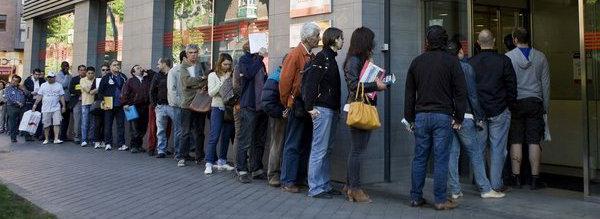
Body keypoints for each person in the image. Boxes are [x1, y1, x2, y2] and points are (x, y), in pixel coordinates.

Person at [404, 25, 466, 210]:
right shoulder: (452, 62)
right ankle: (440, 200)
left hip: (421, 116)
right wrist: (459, 117)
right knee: (441, 158)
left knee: (420, 157)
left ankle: (415, 197)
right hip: (443, 116)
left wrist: (409, 118)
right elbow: (461, 92)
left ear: (427, 42)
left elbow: (409, 93)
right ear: (445, 42)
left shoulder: (417, 62)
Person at [446, 40, 506, 200]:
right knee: (475, 152)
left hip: (447, 116)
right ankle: (485, 188)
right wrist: (479, 116)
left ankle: (455, 190)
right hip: (465, 116)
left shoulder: (443, 67)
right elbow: (472, 95)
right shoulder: (465, 68)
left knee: (452, 153)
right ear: (460, 52)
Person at [469, 29, 517, 192]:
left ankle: (481, 183)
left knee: (479, 149)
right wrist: (509, 106)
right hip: (499, 110)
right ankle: (496, 184)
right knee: (498, 149)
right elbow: (512, 87)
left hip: (478, 113)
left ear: (478, 42)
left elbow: (467, 89)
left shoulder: (470, 62)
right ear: (494, 41)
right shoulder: (503, 61)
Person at [343, 27, 387, 202]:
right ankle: (355, 188)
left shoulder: (359, 59)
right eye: (371, 40)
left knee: (357, 149)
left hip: (364, 105)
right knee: (357, 150)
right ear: (364, 42)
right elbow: (354, 85)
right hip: (359, 107)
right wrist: (376, 86)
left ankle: (349, 185)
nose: (373, 44)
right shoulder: (353, 60)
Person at [505, 27, 550, 190]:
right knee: (533, 141)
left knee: (515, 140)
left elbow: (506, 84)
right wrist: (545, 107)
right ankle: (535, 179)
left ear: (515, 39)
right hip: (535, 102)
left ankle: (515, 178)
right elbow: (545, 84)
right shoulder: (541, 57)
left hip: (516, 103)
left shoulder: (508, 57)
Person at [302, 27, 345, 199]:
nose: (343, 41)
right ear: (334, 39)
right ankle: (315, 188)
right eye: (341, 38)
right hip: (323, 109)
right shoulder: (322, 57)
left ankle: (325, 185)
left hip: (331, 109)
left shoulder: (330, 58)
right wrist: (310, 108)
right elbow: (311, 83)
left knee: (326, 149)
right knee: (319, 149)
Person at [279, 22, 321, 192]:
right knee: (293, 143)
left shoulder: (309, 55)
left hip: (306, 104)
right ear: (308, 37)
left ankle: (298, 178)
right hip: (297, 103)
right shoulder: (296, 54)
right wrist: (288, 102)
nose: (319, 38)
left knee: (304, 143)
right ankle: (288, 180)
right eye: (317, 35)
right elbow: (284, 82)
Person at [235, 42, 268, 183]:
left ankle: (256, 169)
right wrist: (260, 58)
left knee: (259, 140)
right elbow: (248, 73)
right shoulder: (244, 60)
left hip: (261, 107)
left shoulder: (259, 62)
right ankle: (241, 169)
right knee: (245, 139)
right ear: (249, 48)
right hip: (249, 106)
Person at [204, 53, 236, 174]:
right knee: (214, 135)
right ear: (220, 63)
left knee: (226, 136)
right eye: (225, 64)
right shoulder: (213, 75)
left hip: (228, 108)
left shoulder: (232, 74)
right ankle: (209, 162)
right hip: (217, 107)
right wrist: (224, 82)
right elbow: (211, 92)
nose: (227, 67)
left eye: (229, 64)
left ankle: (222, 161)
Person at [177, 44, 209, 167]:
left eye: (195, 52)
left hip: (200, 103)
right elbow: (186, 82)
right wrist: (200, 81)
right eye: (190, 52)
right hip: (187, 104)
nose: (193, 54)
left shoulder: (202, 65)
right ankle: (182, 156)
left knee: (200, 131)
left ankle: (199, 156)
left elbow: (207, 80)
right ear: (186, 54)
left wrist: (199, 81)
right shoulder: (183, 66)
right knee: (185, 132)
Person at [262, 56, 287, 187]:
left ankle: (279, 173)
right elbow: (267, 101)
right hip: (279, 116)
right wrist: (280, 112)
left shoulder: (280, 75)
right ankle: (273, 174)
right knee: (277, 145)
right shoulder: (275, 77)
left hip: (283, 114)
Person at [98, 60, 128, 151]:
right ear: (110, 67)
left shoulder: (123, 77)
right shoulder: (106, 77)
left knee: (121, 125)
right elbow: (100, 92)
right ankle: (108, 143)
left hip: (120, 105)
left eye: (118, 65)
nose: (116, 66)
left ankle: (121, 144)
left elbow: (127, 89)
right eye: (114, 65)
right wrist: (103, 101)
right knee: (108, 125)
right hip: (109, 104)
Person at [121, 65, 152, 153]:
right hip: (131, 106)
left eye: (140, 67)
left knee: (143, 126)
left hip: (145, 106)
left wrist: (147, 71)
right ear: (133, 72)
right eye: (137, 68)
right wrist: (125, 103)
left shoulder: (147, 80)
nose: (140, 68)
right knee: (134, 127)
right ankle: (134, 145)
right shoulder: (130, 81)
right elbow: (124, 93)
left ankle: (139, 145)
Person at [33, 72, 67, 145]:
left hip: (56, 107)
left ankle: (56, 138)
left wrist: (63, 106)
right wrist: (35, 105)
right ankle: (46, 139)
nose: (49, 78)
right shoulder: (43, 85)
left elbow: (61, 96)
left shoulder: (59, 85)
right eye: (48, 77)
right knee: (46, 124)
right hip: (45, 108)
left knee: (56, 123)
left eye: (51, 77)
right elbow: (39, 96)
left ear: (54, 77)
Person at [151, 58, 174, 158]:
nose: (157, 66)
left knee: (178, 129)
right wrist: (154, 104)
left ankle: (178, 151)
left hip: (172, 106)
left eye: (158, 64)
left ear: (164, 64)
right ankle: (161, 150)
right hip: (160, 106)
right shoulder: (157, 76)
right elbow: (152, 90)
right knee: (160, 130)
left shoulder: (174, 74)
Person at [168, 51, 186, 158]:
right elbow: (172, 90)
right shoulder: (174, 70)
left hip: (190, 104)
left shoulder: (193, 69)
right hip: (179, 105)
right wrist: (179, 102)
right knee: (179, 129)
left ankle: (185, 152)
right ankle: (178, 152)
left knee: (188, 129)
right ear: (184, 58)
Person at [91, 64, 110, 149]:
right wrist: (100, 87)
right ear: (101, 71)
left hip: (108, 101)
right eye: (103, 70)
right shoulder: (97, 79)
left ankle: (103, 140)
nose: (105, 71)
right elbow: (91, 92)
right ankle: (96, 140)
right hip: (99, 102)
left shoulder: (111, 79)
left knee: (106, 123)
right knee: (98, 123)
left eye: (107, 69)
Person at [23, 68, 46, 141]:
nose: (37, 76)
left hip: (39, 102)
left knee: (39, 117)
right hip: (30, 101)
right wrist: (30, 93)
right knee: (29, 118)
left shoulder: (42, 80)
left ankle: (38, 134)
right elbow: (24, 91)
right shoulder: (28, 81)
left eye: (39, 74)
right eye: (36, 74)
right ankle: (27, 135)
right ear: (33, 74)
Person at [80, 66, 98, 147]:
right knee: (85, 122)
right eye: (89, 73)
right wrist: (95, 88)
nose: (90, 74)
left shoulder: (96, 80)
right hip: (85, 103)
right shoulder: (82, 80)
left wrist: (94, 89)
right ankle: (84, 139)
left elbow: (97, 90)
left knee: (93, 123)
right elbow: (88, 90)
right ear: (86, 73)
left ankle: (92, 139)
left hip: (94, 104)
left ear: (94, 74)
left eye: (92, 73)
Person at [69, 65, 86, 144]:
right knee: (77, 120)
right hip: (77, 102)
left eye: (84, 70)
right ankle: (76, 136)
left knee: (86, 120)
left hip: (87, 101)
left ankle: (85, 137)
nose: (82, 71)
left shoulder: (88, 79)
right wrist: (80, 94)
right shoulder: (74, 79)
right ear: (78, 71)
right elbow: (71, 90)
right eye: (81, 70)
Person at [5, 76, 25, 142]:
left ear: (19, 82)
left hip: (21, 107)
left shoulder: (20, 89)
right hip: (12, 107)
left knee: (24, 121)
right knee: (13, 123)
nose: (14, 82)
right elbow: (9, 97)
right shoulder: (8, 88)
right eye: (13, 80)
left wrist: (23, 89)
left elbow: (26, 95)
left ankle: (27, 136)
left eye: (16, 81)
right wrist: (17, 102)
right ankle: (13, 138)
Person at [56, 61, 72, 141]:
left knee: (66, 118)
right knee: (59, 118)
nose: (66, 67)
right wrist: (66, 75)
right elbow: (63, 85)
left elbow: (70, 86)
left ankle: (63, 135)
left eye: (67, 66)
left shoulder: (70, 75)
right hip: (60, 99)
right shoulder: (58, 75)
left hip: (68, 99)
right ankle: (55, 135)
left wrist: (68, 75)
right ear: (61, 67)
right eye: (64, 66)